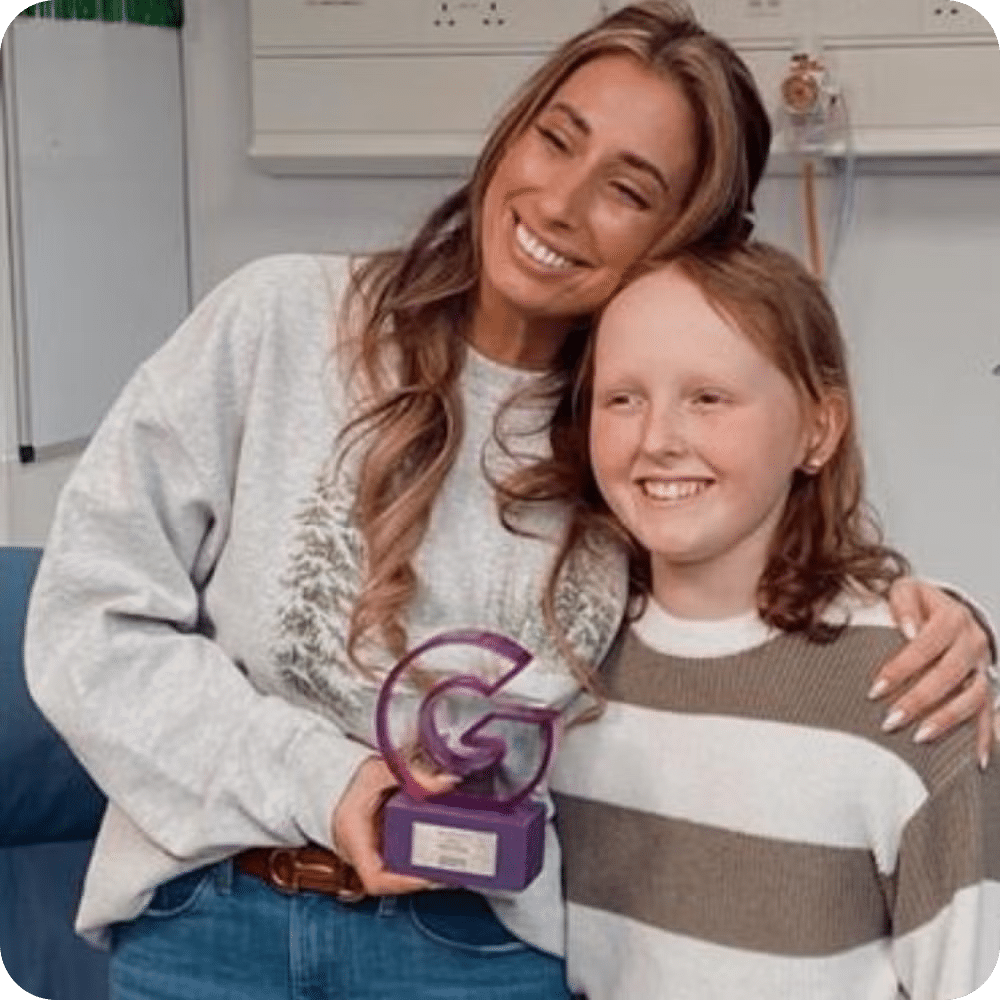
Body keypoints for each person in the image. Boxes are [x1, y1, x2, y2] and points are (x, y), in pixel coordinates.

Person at [23, 3, 992, 999]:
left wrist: (940, 617)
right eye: (555, 138)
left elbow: (757, 594)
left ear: (688, 237)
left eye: (627, 188)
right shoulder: (277, 322)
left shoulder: (627, 437)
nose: (560, 203)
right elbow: (85, 620)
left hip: (472, 950)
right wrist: (328, 781)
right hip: (208, 922)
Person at [548, 243, 1000, 1000]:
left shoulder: (919, 693)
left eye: (708, 397)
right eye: (622, 397)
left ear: (818, 431)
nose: (657, 438)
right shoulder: (566, 674)